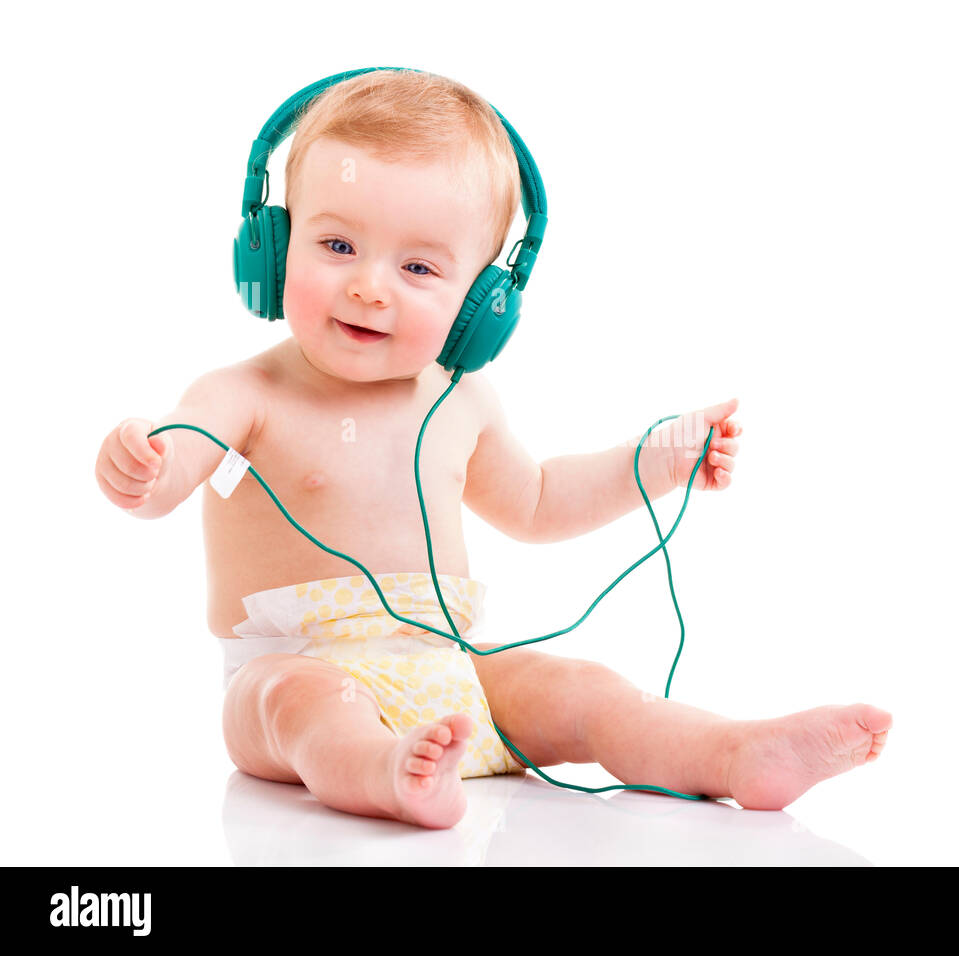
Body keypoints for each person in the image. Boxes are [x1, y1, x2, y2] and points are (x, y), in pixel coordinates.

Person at [94, 70, 890, 829]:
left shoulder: (459, 402)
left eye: (417, 266)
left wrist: (656, 463)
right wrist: (144, 467)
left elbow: (540, 502)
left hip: (450, 666)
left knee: (582, 691)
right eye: (337, 247)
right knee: (299, 708)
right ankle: (383, 771)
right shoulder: (245, 393)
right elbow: (177, 464)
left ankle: (735, 752)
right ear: (272, 246)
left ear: (484, 304)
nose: (371, 286)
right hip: (291, 667)